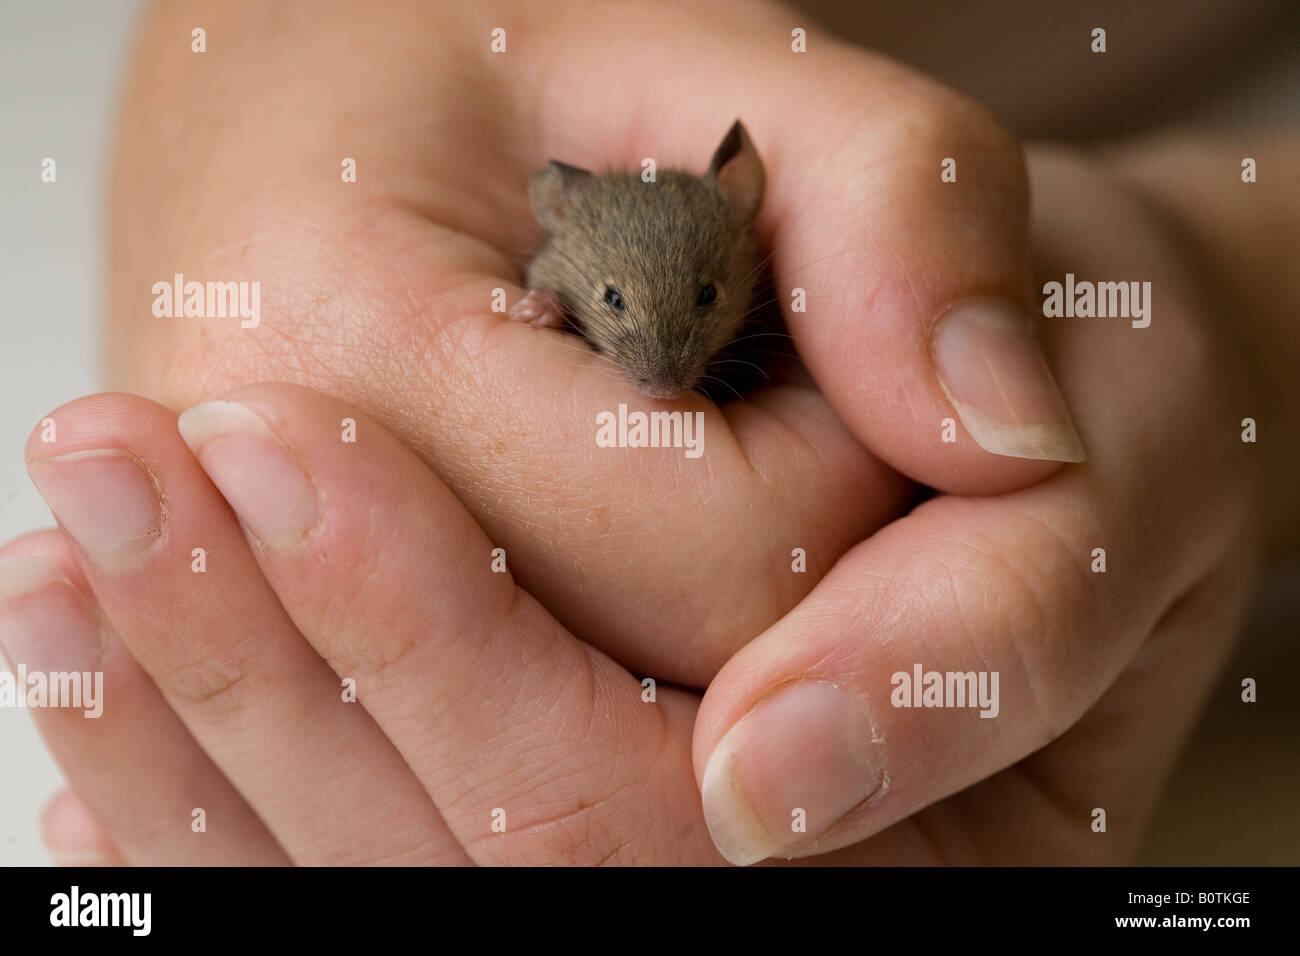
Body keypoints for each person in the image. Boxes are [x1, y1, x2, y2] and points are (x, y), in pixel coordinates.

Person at [1, 0, 1296, 865]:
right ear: (563, 253)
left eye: (703, 308)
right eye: (617, 308)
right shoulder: (558, 255)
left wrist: (1240, 307)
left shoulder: (754, 272)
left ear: (744, 257)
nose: (666, 354)